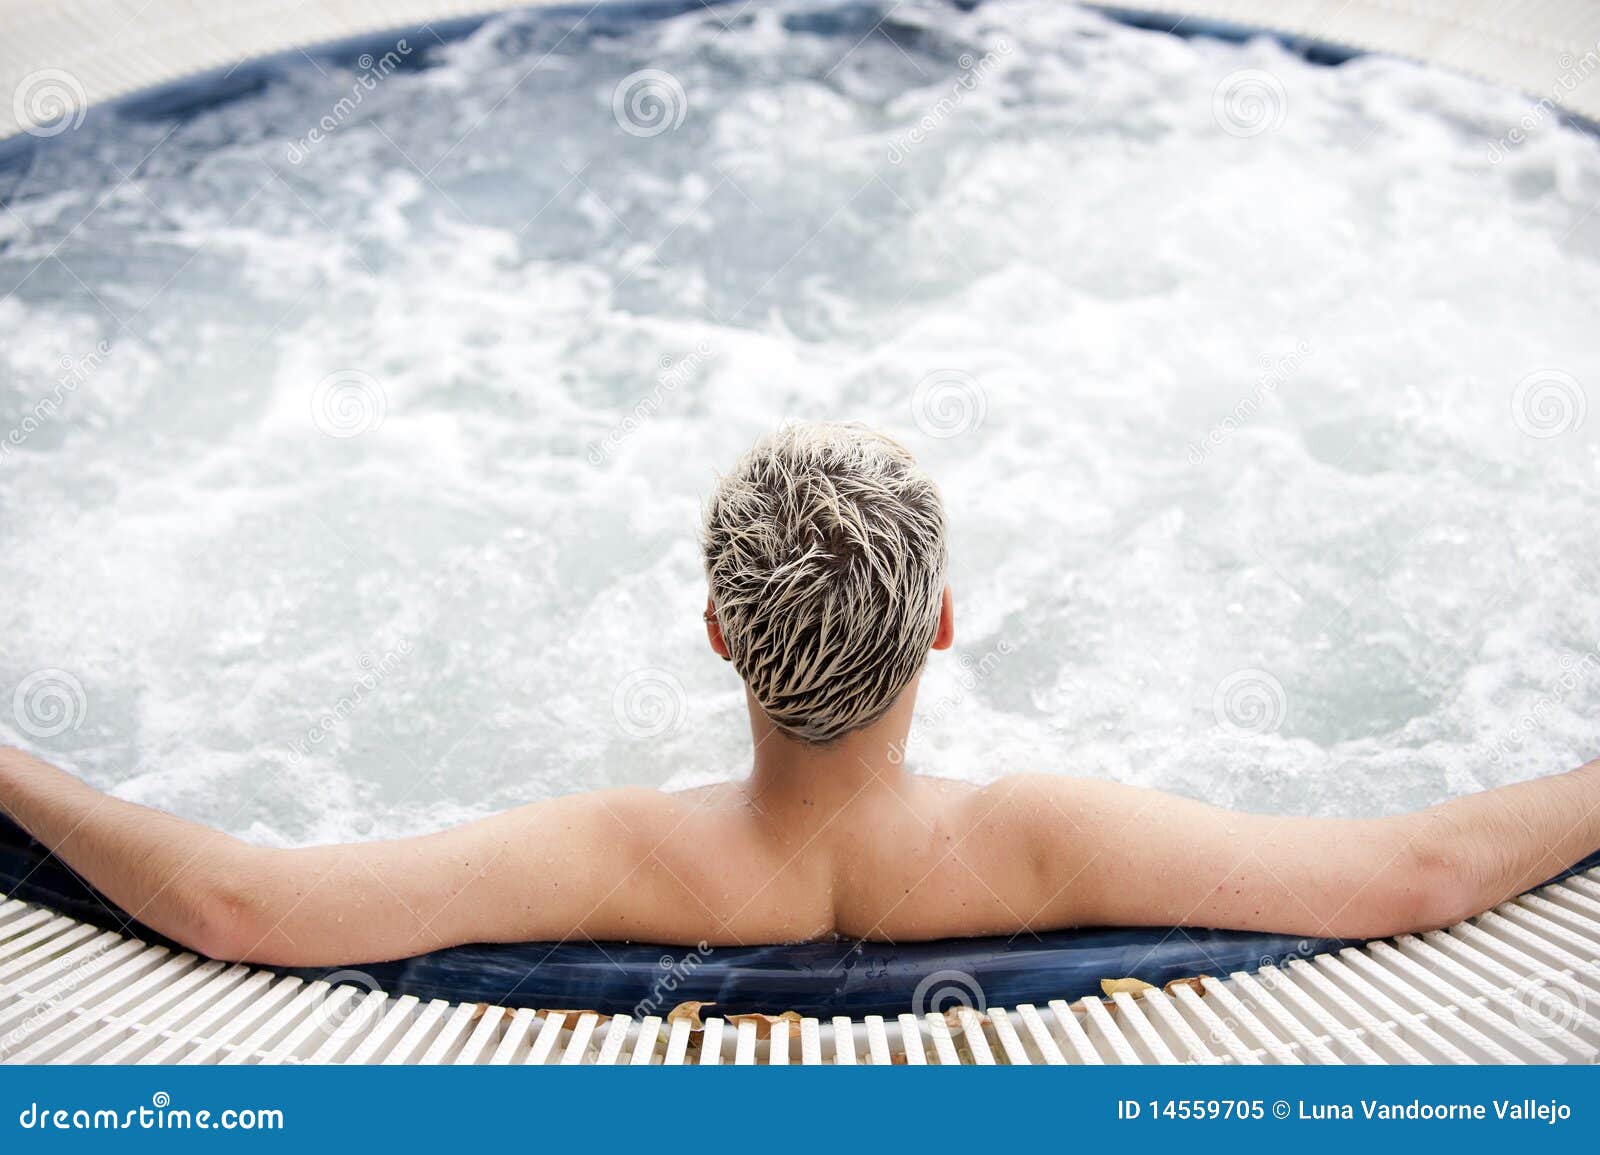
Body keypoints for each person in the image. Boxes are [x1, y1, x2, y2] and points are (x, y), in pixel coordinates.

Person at [1, 422, 1596, 968]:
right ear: (947, 625)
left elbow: (237, 906)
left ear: (715, 633)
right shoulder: (1042, 841)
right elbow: (1422, 872)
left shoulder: (624, 854)